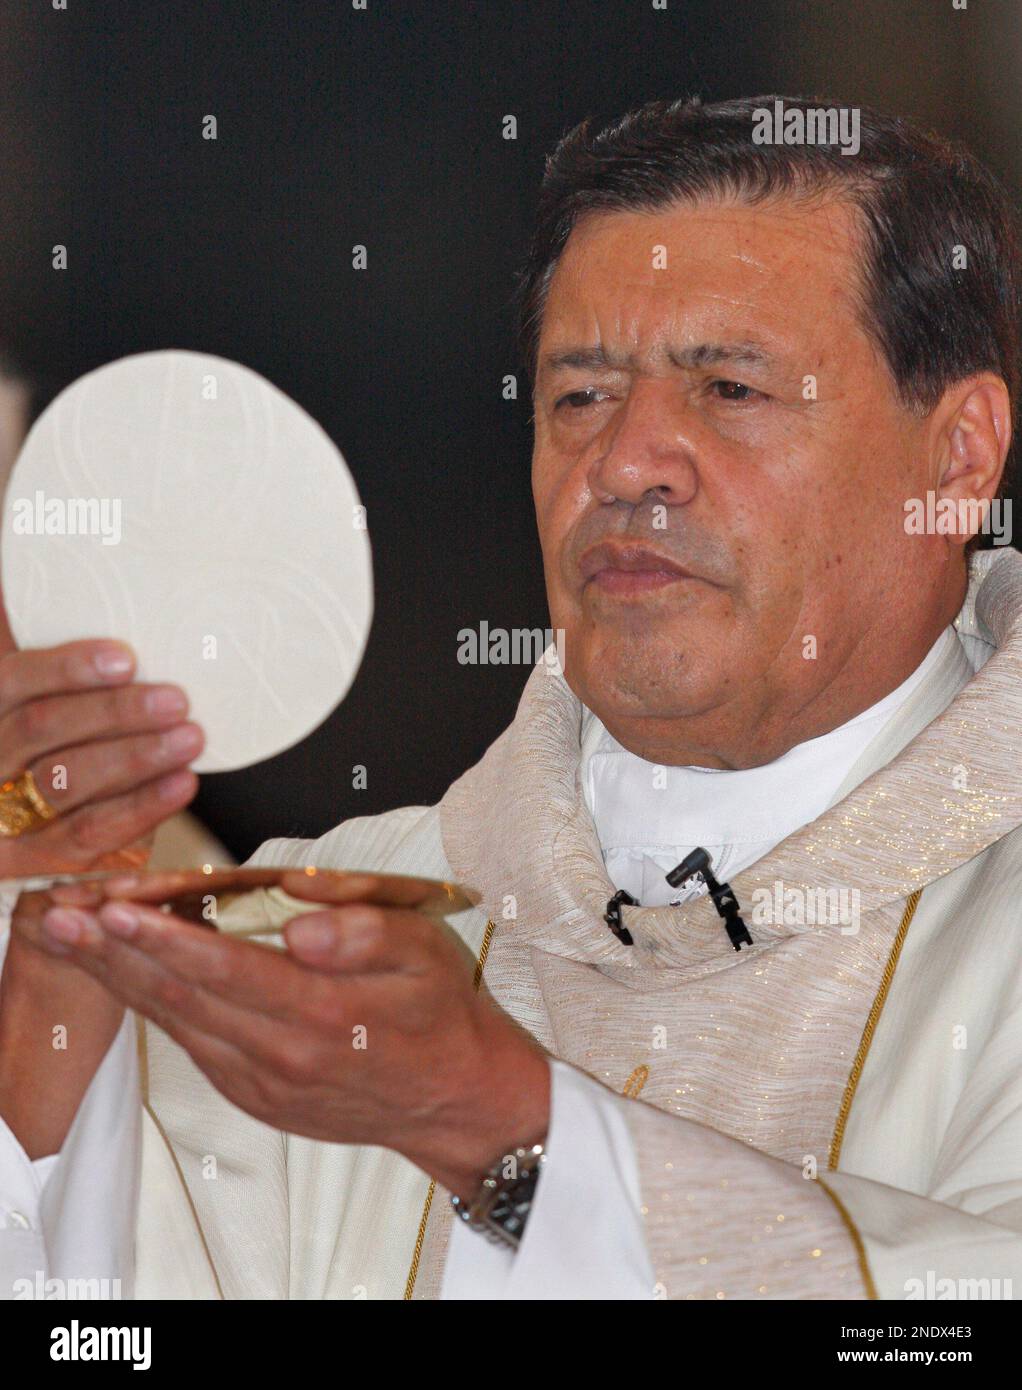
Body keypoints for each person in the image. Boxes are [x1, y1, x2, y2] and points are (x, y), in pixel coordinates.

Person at [1, 93, 1021, 1301]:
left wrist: (509, 1134)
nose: (625, 460)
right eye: (580, 394)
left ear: (954, 459)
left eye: (729, 388)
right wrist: (60, 990)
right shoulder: (324, 928)